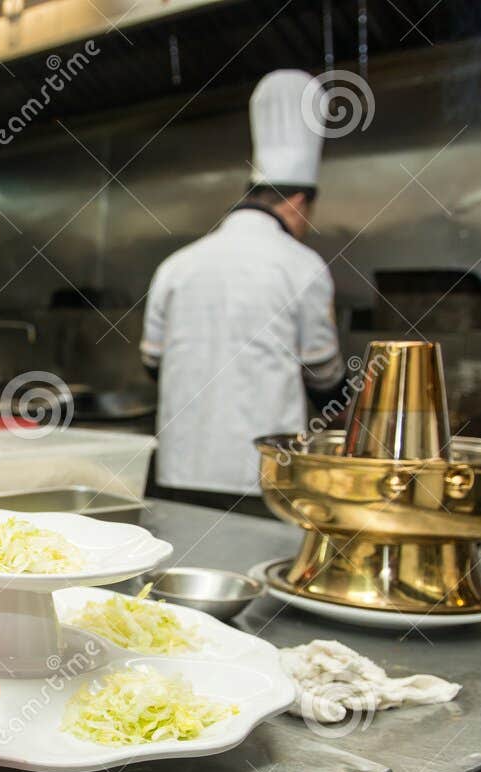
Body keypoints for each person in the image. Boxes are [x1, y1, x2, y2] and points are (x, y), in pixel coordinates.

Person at [141, 69, 344, 506]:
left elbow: (152, 363)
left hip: (179, 470)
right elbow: (324, 377)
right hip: (260, 477)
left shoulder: (177, 265)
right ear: (299, 203)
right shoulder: (303, 267)